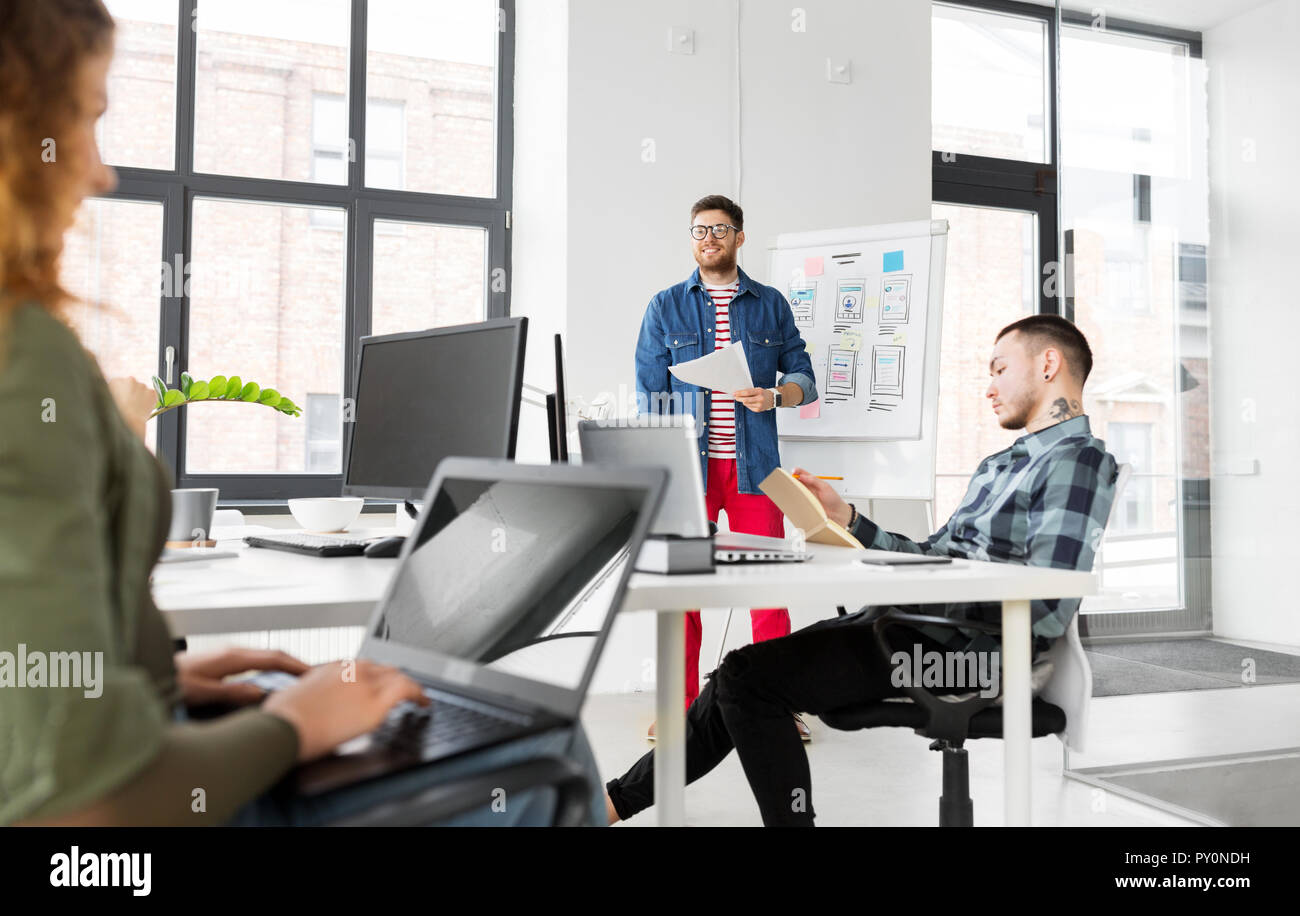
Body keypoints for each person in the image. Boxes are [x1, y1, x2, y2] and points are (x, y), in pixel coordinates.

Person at [0, 0, 602, 827]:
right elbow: (83, 806)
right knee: (550, 748)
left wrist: (157, 686)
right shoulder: (23, 355)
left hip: (132, 735)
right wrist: (293, 725)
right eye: (83, 121)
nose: (100, 171)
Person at [606, 314, 1119, 825]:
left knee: (748, 680)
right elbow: (934, 552)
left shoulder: (1077, 460)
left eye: (1000, 369)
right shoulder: (1001, 465)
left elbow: (1049, 605)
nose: (989, 387)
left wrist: (926, 586)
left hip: (968, 655)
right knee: (736, 674)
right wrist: (847, 519)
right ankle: (609, 804)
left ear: (1048, 363)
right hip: (912, 625)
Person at [634, 194, 817, 740]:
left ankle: (775, 708)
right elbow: (649, 395)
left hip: (755, 467)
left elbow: (804, 373)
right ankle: (681, 711)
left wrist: (776, 397)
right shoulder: (665, 307)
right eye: (698, 230)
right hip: (689, 470)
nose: (708, 238)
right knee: (683, 591)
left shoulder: (770, 305)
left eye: (719, 229)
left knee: (768, 586)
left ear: (740, 236)